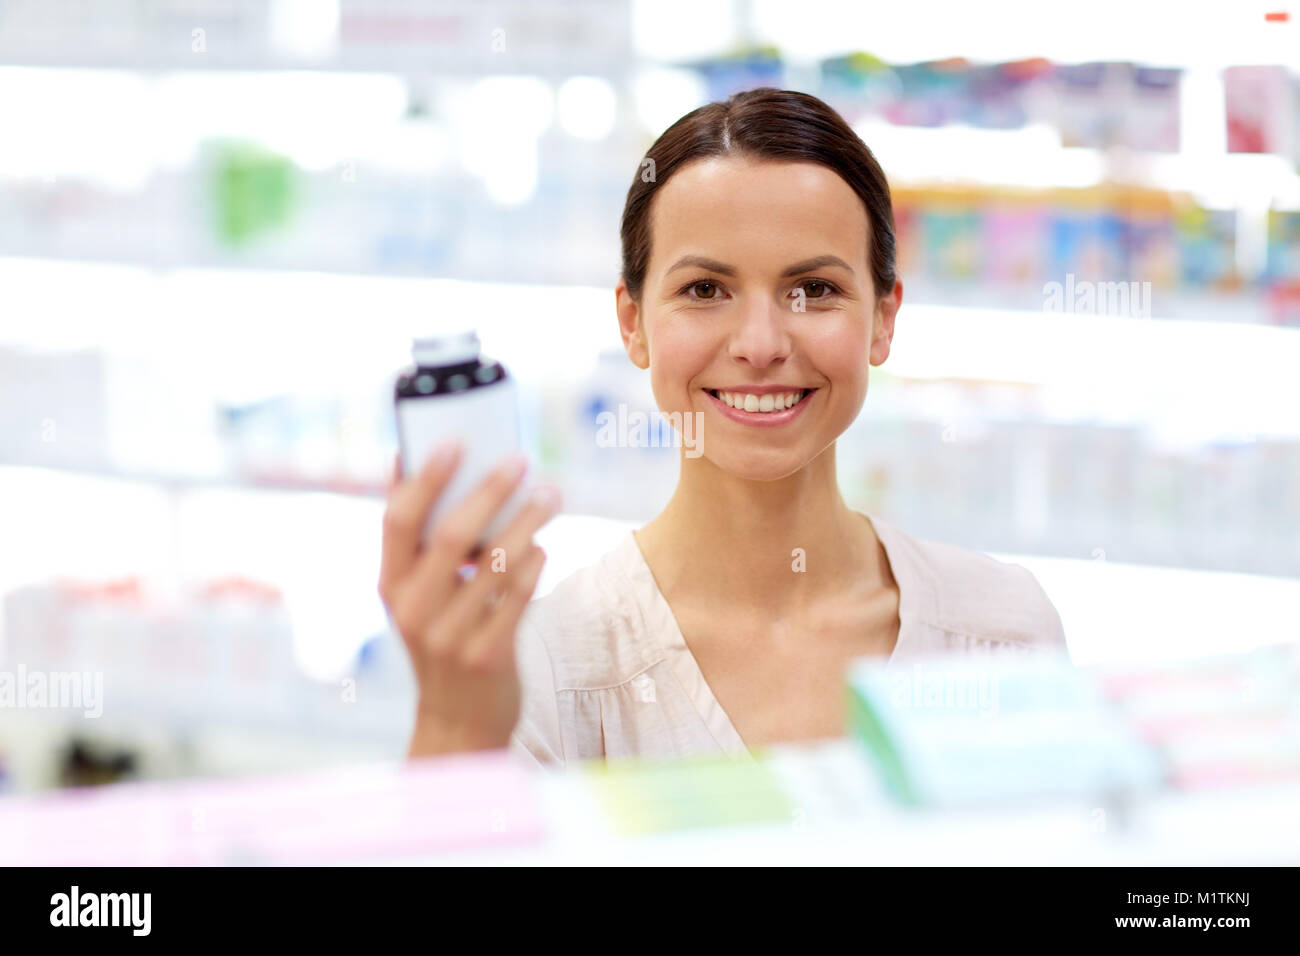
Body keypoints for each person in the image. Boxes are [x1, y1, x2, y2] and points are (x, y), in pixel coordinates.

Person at [378, 88, 1068, 768]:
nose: (760, 344)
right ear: (633, 321)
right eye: (705, 290)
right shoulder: (545, 672)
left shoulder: (1003, 632)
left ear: (884, 319)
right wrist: (451, 724)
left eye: (814, 290)